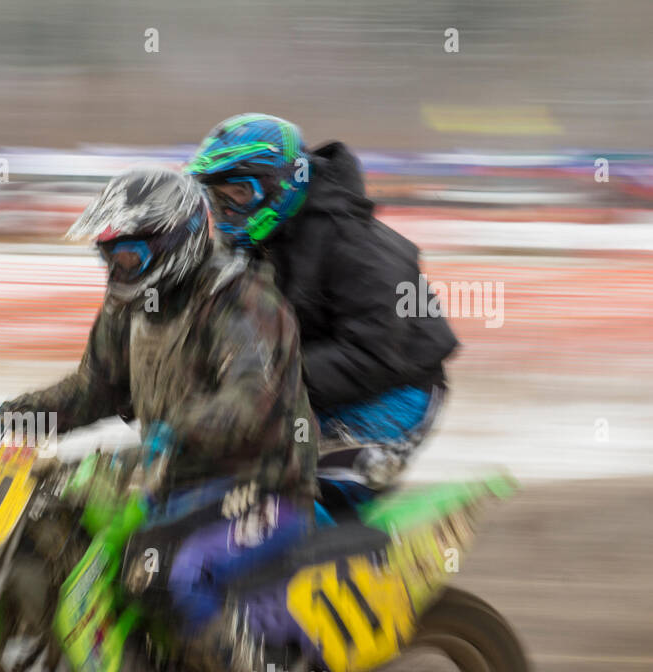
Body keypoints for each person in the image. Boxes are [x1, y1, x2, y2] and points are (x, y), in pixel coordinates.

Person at [0, 166, 318, 650]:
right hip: (174, 479)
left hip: (261, 487)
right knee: (62, 545)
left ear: (174, 242)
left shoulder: (243, 304)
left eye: (129, 254)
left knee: (172, 572)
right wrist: (5, 416)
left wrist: (177, 430)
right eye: (108, 255)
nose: (116, 269)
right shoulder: (129, 306)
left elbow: (248, 402)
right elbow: (94, 389)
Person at [186, 113, 459, 516]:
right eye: (217, 197)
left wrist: (267, 381)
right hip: (313, 384)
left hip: (397, 392)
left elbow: (374, 353)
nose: (225, 208)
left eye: (238, 193)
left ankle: (337, 547)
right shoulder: (254, 244)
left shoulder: (360, 248)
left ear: (281, 183)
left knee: (296, 494)